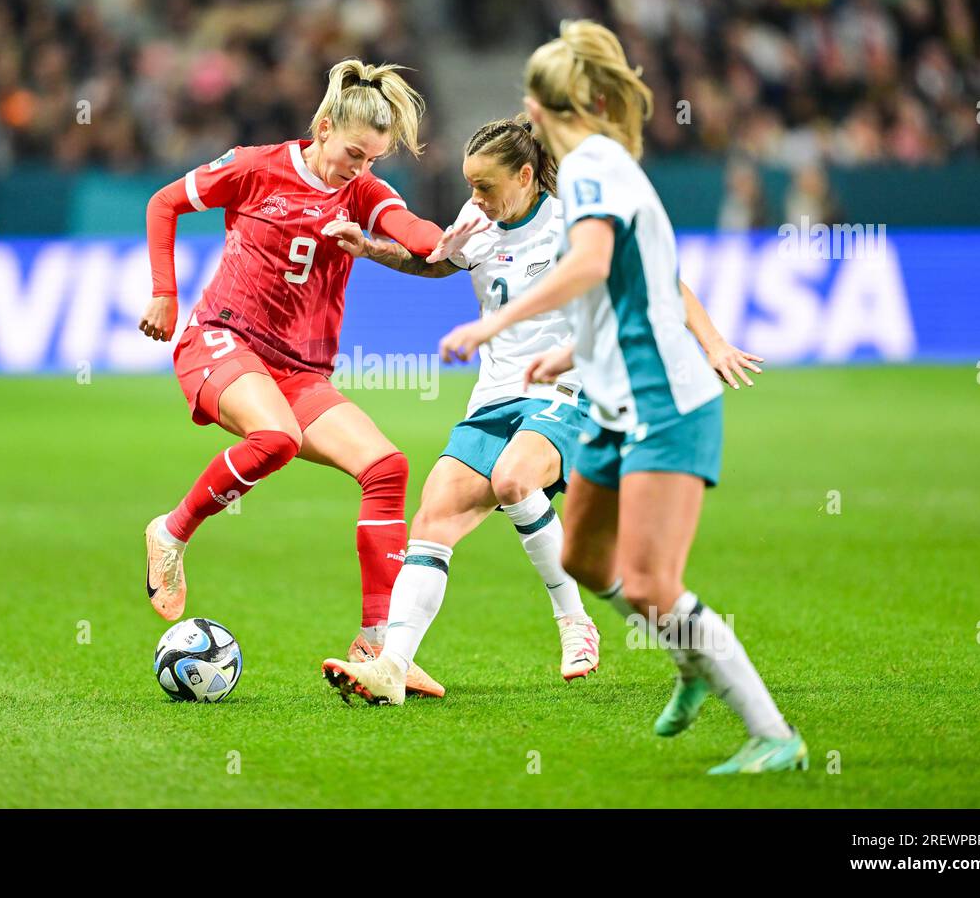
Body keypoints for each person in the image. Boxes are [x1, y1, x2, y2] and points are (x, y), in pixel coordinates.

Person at [438, 20, 807, 774]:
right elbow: (632, 287)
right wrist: (572, 353)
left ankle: (774, 735)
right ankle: (691, 662)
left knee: (649, 583)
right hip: (610, 391)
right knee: (580, 554)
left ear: (544, 109)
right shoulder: (587, 172)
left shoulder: (594, 170)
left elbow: (594, 264)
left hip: (665, 400)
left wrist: (496, 324)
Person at [323, 114, 761, 708]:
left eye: (485, 186)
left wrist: (712, 344)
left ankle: (574, 620)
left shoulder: (573, 223)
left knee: (513, 478)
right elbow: (434, 264)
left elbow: (659, 281)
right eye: (469, 186)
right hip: (495, 396)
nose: (474, 200)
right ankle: (393, 666)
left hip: (570, 388)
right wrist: (371, 249)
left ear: (527, 176)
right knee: (433, 516)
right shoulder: (478, 224)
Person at [138, 59, 484, 698]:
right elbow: (164, 203)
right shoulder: (253, 166)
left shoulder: (363, 193)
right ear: (323, 127)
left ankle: (377, 646)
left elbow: (414, 233)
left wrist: (453, 236)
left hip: (299, 370)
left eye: (373, 159)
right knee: (277, 439)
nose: (361, 167)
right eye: (354, 152)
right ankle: (171, 530)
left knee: (387, 468)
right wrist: (164, 293)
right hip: (222, 339)